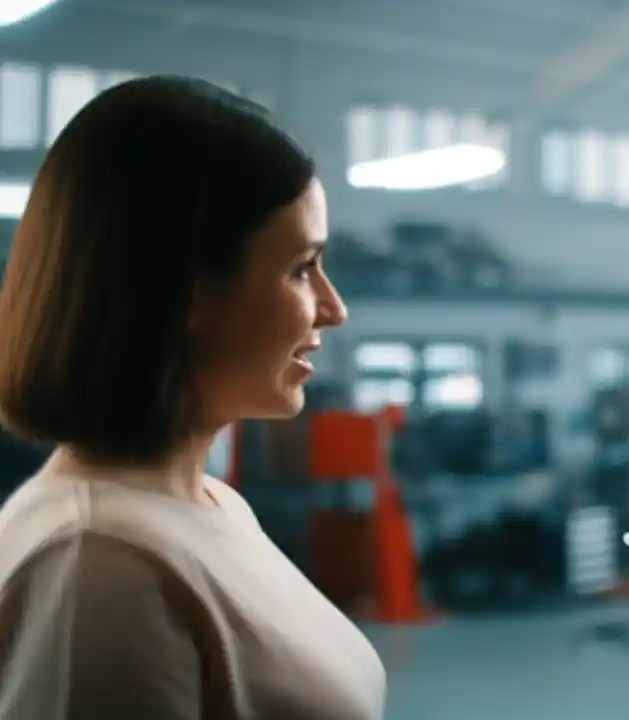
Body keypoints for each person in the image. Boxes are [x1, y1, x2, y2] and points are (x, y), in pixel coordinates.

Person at [0, 76, 386, 718]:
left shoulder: (210, 505)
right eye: (300, 268)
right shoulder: (98, 564)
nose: (333, 309)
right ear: (183, 288)